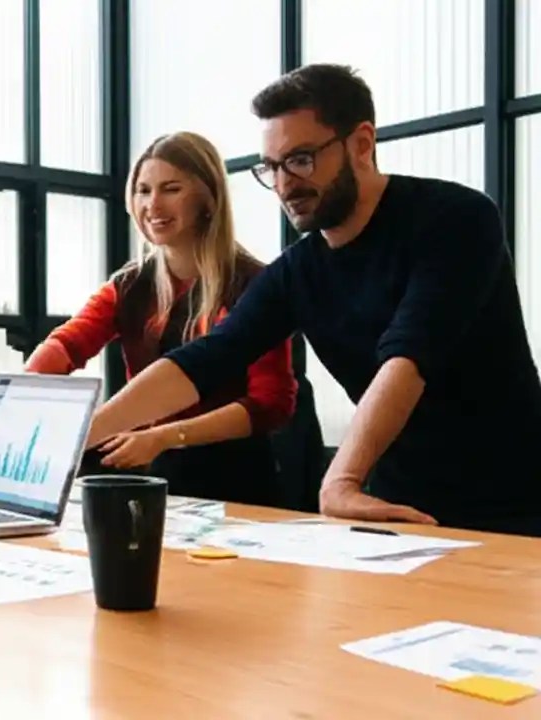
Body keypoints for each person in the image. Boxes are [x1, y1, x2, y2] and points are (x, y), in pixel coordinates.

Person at [85, 64, 541, 537]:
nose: (284, 184)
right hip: (392, 508)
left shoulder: (456, 220)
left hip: (510, 506)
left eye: (301, 160)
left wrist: (340, 479)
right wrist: (81, 439)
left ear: (361, 144)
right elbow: (205, 359)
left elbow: (410, 353)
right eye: (272, 167)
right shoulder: (299, 270)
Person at [27, 132, 295, 505]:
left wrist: (166, 436)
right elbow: (68, 343)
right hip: (150, 469)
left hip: (234, 480)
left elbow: (271, 403)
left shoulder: (255, 284)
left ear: (207, 198)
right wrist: (20, 397)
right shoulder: (129, 285)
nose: (153, 204)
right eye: (142, 190)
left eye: (171, 189)